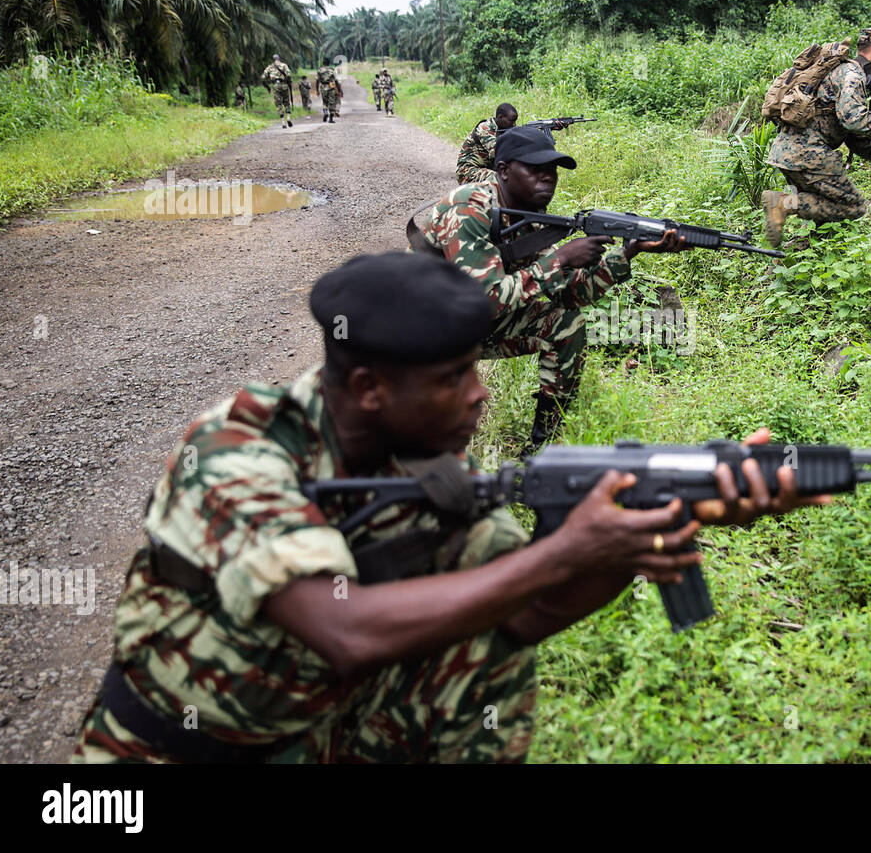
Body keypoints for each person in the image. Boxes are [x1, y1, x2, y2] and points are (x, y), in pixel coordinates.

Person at [70, 252, 826, 763]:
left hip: (320, 727)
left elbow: (524, 612)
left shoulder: (426, 462)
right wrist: (566, 551)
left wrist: (643, 532)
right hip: (181, 745)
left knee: (490, 656)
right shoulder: (237, 450)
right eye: (454, 376)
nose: (480, 393)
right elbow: (345, 633)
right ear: (370, 388)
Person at [413, 126, 686, 454]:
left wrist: (629, 252)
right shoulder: (471, 206)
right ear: (503, 171)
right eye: (534, 169)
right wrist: (560, 258)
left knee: (566, 325)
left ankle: (543, 449)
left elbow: (572, 295)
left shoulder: (530, 219)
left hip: (468, 325)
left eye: (551, 171)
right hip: (424, 328)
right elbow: (482, 302)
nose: (547, 179)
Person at [762, 27, 871, 247]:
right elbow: (853, 119)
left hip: (788, 154)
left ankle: (789, 261)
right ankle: (781, 203)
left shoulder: (843, 72)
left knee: (828, 224)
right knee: (852, 206)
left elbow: (856, 140)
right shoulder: (852, 74)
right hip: (809, 156)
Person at [456, 103, 519, 185]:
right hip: (467, 172)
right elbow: (498, 152)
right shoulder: (485, 128)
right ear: (500, 117)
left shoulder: (503, 129)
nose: (514, 125)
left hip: (484, 169)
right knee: (500, 178)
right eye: (511, 121)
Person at [261, 53, 293, 128]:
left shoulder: (270, 67)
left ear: (273, 60)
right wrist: (287, 81)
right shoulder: (284, 65)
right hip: (284, 85)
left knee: (278, 104)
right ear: (279, 59)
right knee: (287, 102)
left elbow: (263, 77)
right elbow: (288, 74)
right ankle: (288, 118)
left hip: (276, 86)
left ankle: (283, 122)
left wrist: (267, 86)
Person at [316, 58, 340, 123]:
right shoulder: (332, 70)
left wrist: (317, 90)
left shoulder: (319, 70)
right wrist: (339, 90)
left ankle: (325, 112)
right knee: (331, 102)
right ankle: (331, 119)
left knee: (325, 102)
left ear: (323, 63)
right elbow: (336, 81)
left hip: (323, 87)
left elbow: (317, 81)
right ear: (329, 63)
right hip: (331, 87)